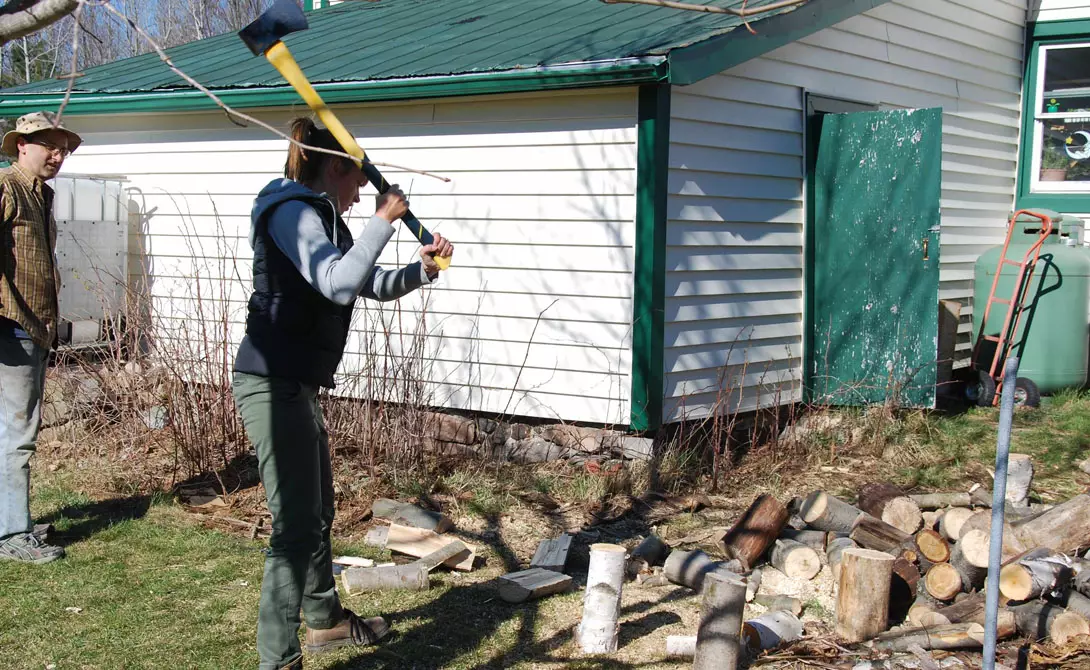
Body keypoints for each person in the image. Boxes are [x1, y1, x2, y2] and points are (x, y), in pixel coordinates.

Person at [231, 117, 453, 670]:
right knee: (294, 528)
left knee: (319, 511)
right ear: (336, 168)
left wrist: (419, 271)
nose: (358, 199)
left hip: (298, 384)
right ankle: (278, 659)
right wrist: (385, 218)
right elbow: (336, 282)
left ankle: (326, 622)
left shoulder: (325, 217)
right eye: (358, 185)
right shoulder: (291, 212)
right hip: (270, 379)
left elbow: (367, 283)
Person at [0, 111, 82, 565]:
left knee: (11, 430)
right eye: (48, 145)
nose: (58, 154)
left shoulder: (39, 195)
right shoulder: (6, 187)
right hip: (10, 325)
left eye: (63, 148)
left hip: (32, 325)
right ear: (21, 146)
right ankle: (12, 535)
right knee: (17, 432)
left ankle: (11, 520)